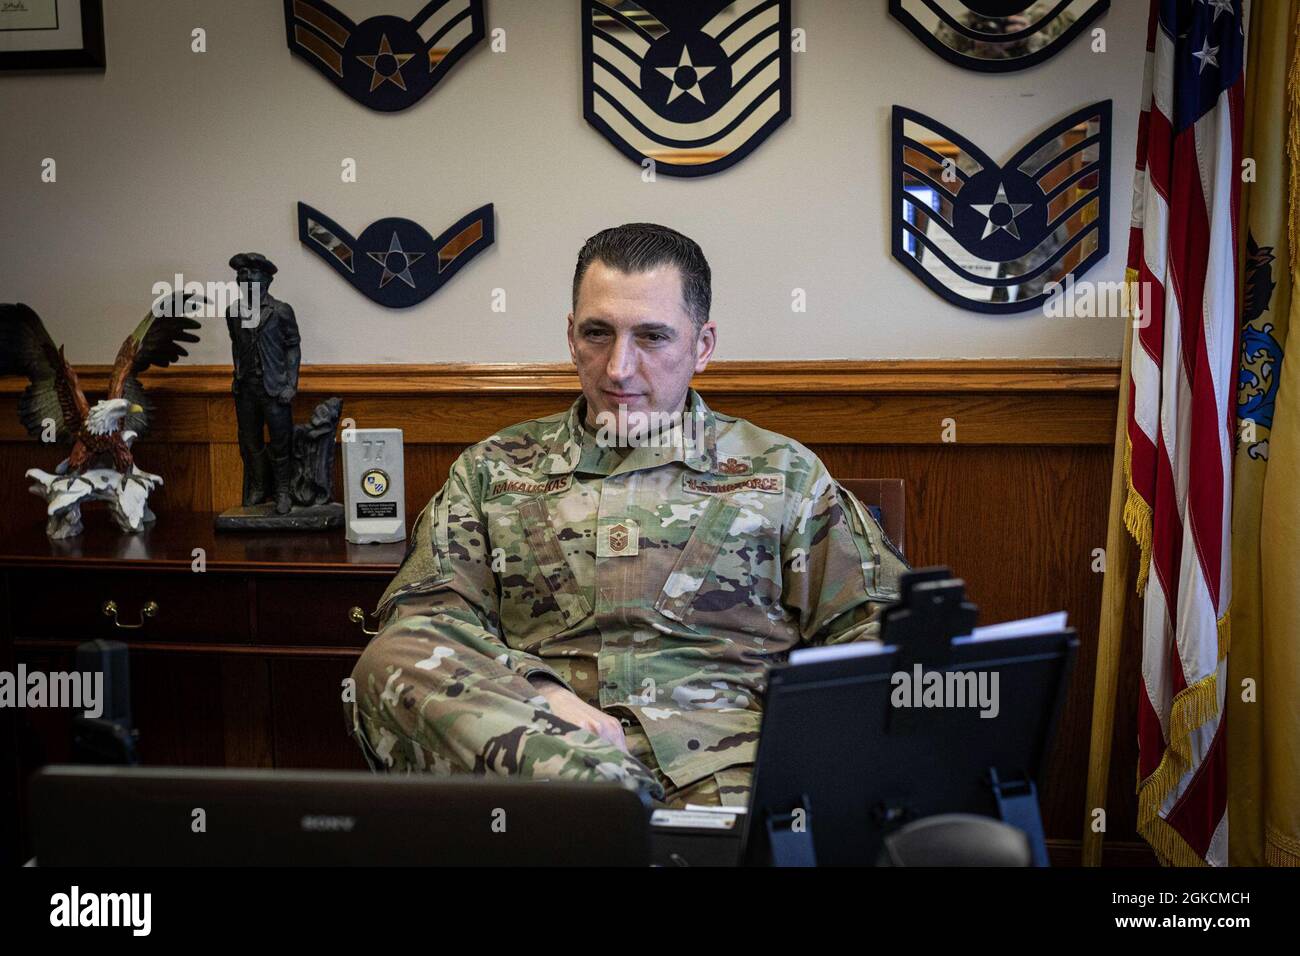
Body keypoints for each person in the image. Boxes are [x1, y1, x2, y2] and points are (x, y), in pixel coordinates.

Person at [346, 223, 908, 807]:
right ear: (571, 337)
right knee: (390, 658)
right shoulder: (493, 471)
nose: (618, 369)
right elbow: (424, 623)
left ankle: (611, 820)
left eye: (652, 337)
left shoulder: (782, 474)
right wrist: (540, 693)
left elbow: (881, 627)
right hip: (539, 754)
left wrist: (800, 746)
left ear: (704, 345)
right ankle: (601, 802)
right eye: (598, 333)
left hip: (726, 770)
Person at [226, 252, 301, 514]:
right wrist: (237, 375)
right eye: (241, 276)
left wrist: (291, 383)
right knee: (251, 440)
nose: (245, 279)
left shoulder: (281, 311)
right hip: (246, 388)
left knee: (281, 440)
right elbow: (237, 345)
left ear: (266, 280)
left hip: (274, 387)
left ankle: (282, 490)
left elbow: (292, 347)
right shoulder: (233, 312)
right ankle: (259, 486)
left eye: (251, 275)